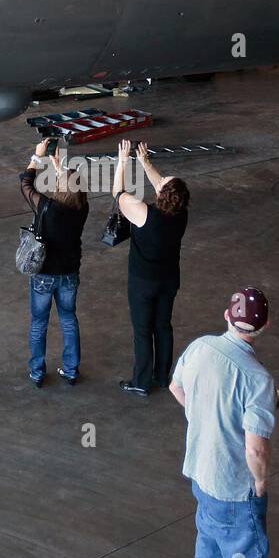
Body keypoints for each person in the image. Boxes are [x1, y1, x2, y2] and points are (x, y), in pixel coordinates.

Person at [169, 287, 276, 558]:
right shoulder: (258, 379)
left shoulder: (200, 347)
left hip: (201, 472)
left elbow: (176, 387)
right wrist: (258, 483)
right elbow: (255, 449)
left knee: (210, 537)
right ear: (264, 326)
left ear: (227, 316)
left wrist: (202, 420)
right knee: (244, 555)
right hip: (233, 486)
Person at [112, 140, 190, 397]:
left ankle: (141, 381)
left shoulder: (143, 213)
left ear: (162, 195)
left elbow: (117, 193)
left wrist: (123, 161)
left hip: (143, 282)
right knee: (163, 326)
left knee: (143, 330)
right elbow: (163, 187)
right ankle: (161, 375)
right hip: (168, 280)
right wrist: (146, 162)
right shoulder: (180, 213)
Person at [20, 137, 89, 387]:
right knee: (69, 319)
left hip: (43, 274)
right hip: (69, 273)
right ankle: (71, 370)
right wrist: (60, 167)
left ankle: (37, 371)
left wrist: (37, 157)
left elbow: (25, 183)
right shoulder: (82, 207)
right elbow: (71, 190)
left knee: (39, 322)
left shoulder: (47, 207)